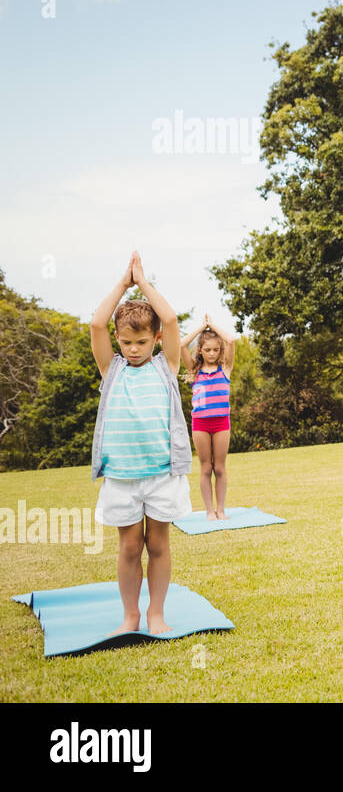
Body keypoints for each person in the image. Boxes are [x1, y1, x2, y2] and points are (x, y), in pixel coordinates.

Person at [90, 252, 192, 636]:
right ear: (118, 340)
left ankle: (156, 614)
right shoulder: (111, 369)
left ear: (156, 340)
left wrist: (144, 283)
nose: (134, 349)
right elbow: (97, 322)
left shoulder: (166, 367)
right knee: (130, 548)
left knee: (159, 545)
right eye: (127, 342)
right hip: (121, 476)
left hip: (162, 474)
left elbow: (169, 318)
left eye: (142, 341)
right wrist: (123, 283)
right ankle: (130, 615)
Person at [180, 314, 236, 519]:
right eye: (207, 349)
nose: (212, 353)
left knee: (220, 467)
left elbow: (230, 341)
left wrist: (213, 325)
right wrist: (201, 327)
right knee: (205, 467)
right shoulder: (194, 372)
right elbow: (181, 345)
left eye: (215, 349)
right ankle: (209, 511)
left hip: (221, 423)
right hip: (200, 424)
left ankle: (221, 509)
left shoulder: (225, 370)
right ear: (201, 351)